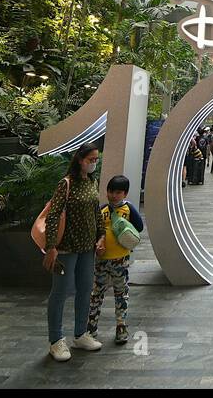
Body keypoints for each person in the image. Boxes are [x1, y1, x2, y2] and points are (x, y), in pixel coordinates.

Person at [44, 143, 105, 360]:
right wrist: (51, 246)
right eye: (91, 160)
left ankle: (80, 334)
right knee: (60, 292)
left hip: (87, 247)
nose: (94, 163)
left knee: (85, 289)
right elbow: (53, 215)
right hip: (66, 248)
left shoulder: (92, 181)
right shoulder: (66, 184)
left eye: (96, 159)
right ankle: (56, 340)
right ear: (80, 159)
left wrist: (101, 235)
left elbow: (96, 211)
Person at [88, 174, 144, 346]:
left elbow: (139, 227)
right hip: (102, 260)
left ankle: (121, 326)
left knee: (121, 293)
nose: (113, 195)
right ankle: (91, 327)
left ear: (125, 194)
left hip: (121, 260)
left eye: (118, 192)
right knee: (96, 293)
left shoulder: (129, 209)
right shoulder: (102, 210)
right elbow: (95, 230)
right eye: (110, 191)